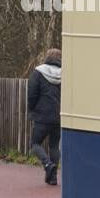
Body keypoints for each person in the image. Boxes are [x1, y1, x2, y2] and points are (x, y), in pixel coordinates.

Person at [27, 48, 62, 186]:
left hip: (42, 116)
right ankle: (53, 178)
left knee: (35, 144)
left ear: (47, 57)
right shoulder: (64, 74)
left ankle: (47, 164)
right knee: (54, 146)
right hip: (58, 116)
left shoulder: (38, 72)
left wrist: (32, 109)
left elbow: (32, 94)